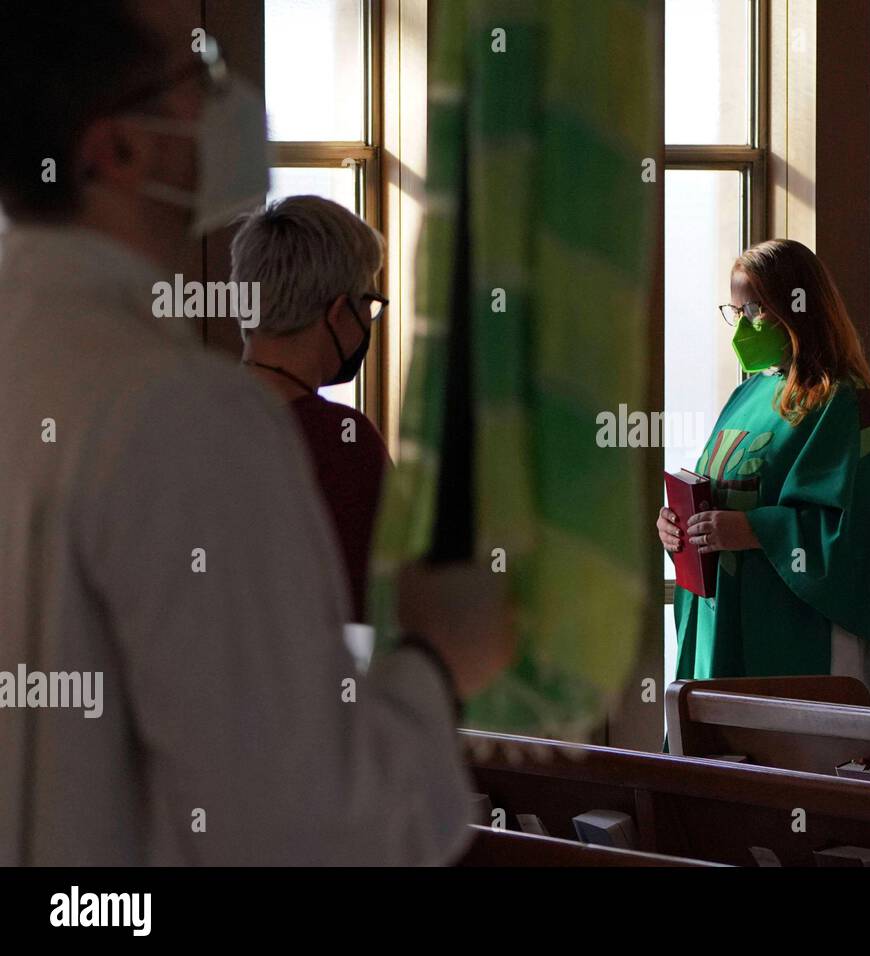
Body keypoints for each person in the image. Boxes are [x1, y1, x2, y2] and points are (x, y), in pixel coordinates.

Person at [0, 1, 513, 865]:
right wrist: (437, 664)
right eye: (192, 86)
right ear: (117, 147)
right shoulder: (189, 417)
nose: (221, 110)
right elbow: (308, 826)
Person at [658, 239, 870, 703]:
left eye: (755, 311)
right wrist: (680, 529)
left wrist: (754, 529)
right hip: (726, 621)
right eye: (736, 312)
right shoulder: (747, 397)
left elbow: (863, 536)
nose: (743, 327)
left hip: (800, 635)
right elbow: (720, 492)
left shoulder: (849, 405)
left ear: (798, 307)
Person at [233, 196, 391, 622]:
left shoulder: (187, 425)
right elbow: (386, 611)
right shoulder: (346, 446)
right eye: (368, 303)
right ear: (339, 313)